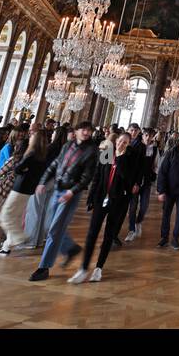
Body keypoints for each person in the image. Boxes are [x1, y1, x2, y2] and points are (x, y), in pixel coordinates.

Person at [29, 121, 98, 282]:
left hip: (70, 193)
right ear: (76, 131)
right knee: (48, 226)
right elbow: (56, 164)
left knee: (54, 229)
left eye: (89, 130)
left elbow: (86, 177)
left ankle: (43, 267)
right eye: (84, 130)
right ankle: (70, 248)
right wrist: (43, 181)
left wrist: (72, 191)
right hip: (58, 188)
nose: (87, 133)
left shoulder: (91, 151)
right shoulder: (68, 145)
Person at [70, 131, 142, 283]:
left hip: (118, 201)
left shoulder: (130, 159)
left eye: (125, 143)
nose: (121, 144)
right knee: (92, 233)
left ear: (128, 145)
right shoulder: (107, 153)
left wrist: (121, 160)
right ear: (116, 141)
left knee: (109, 234)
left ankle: (98, 268)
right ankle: (83, 268)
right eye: (120, 141)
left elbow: (129, 181)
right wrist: (91, 197)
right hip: (101, 197)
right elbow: (97, 175)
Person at [0, 130, 51, 256]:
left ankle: (19, 237)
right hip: (29, 188)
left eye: (32, 136)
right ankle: (6, 247)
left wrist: (22, 169)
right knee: (16, 217)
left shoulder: (31, 154)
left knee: (5, 216)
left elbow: (18, 169)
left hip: (20, 187)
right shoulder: (43, 156)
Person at [125, 126, 157, 242]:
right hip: (135, 182)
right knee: (133, 207)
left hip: (146, 181)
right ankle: (131, 229)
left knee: (144, 206)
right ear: (142, 135)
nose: (148, 138)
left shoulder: (154, 149)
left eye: (150, 136)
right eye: (146, 135)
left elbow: (154, 164)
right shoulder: (136, 146)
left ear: (153, 136)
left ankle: (138, 222)